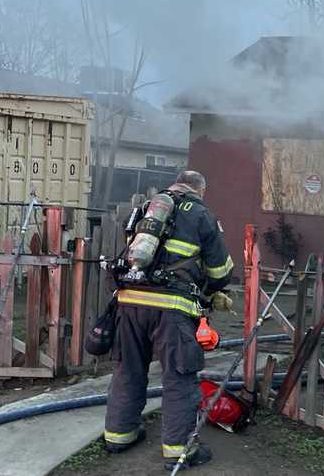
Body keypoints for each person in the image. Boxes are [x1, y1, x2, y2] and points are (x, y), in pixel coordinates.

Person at [103, 170, 234, 469]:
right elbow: (220, 273)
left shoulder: (149, 209)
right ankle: (179, 450)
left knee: (129, 369)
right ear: (200, 190)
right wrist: (210, 291)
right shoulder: (201, 214)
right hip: (172, 308)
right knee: (179, 377)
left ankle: (118, 436)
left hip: (130, 302)